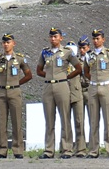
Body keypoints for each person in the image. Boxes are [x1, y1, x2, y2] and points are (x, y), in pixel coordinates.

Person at [37, 27, 81, 159]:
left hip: (62, 85)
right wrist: (49, 76)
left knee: (65, 118)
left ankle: (67, 149)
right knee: (49, 120)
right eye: (51, 36)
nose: (53, 39)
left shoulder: (67, 52)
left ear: (61, 38)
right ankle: (49, 150)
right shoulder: (45, 52)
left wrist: (66, 77)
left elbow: (78, 68)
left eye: (55, 36)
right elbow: (39, 70)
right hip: (48, 86)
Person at [0, 33, 33, 159]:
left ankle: (18, 149)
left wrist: (17, 84)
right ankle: (1, 150)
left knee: (16, 121)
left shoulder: (19, 59)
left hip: (15, 92)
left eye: (8, 42)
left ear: (14, 43)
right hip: (2, 92)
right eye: (4, 42)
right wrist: (1, 84)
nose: (6, 45)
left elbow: (29, 75)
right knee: (1, 122)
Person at [83, 29, 109, 158]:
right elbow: (86, 71)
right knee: (93, 120)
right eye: (94, 38)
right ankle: (93, 150)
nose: (95, 41)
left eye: (98, 38)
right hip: (93, 88)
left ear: (103, 39)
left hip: (106, 87)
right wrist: (94, 80)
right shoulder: (89, 55)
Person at [68, 37, 91, 157]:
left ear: (88, 47)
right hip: (78, 91)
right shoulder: (74, 60)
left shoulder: (91, 59)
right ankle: (78, 148)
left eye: (84, 47)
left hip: (89, 90)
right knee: (78, 121)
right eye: (80, 48)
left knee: (93, 120)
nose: (82, 50)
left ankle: (93, 148)